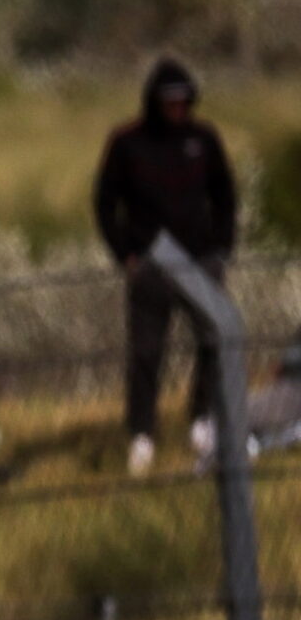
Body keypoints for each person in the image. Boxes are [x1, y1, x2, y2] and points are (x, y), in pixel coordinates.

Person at [93, 59, 239, 475]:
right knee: (145, 355)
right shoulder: (126, 142)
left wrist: (221, 249)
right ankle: (142, 435)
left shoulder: (204, 139)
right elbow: (105, 204)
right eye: (168, 102)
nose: (177, 109)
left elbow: (225, 194)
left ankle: (201, 420)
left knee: (215, 340)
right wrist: (125, 255)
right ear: (154, 102)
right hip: (150, 268)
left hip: (201, 263)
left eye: (183, 101)